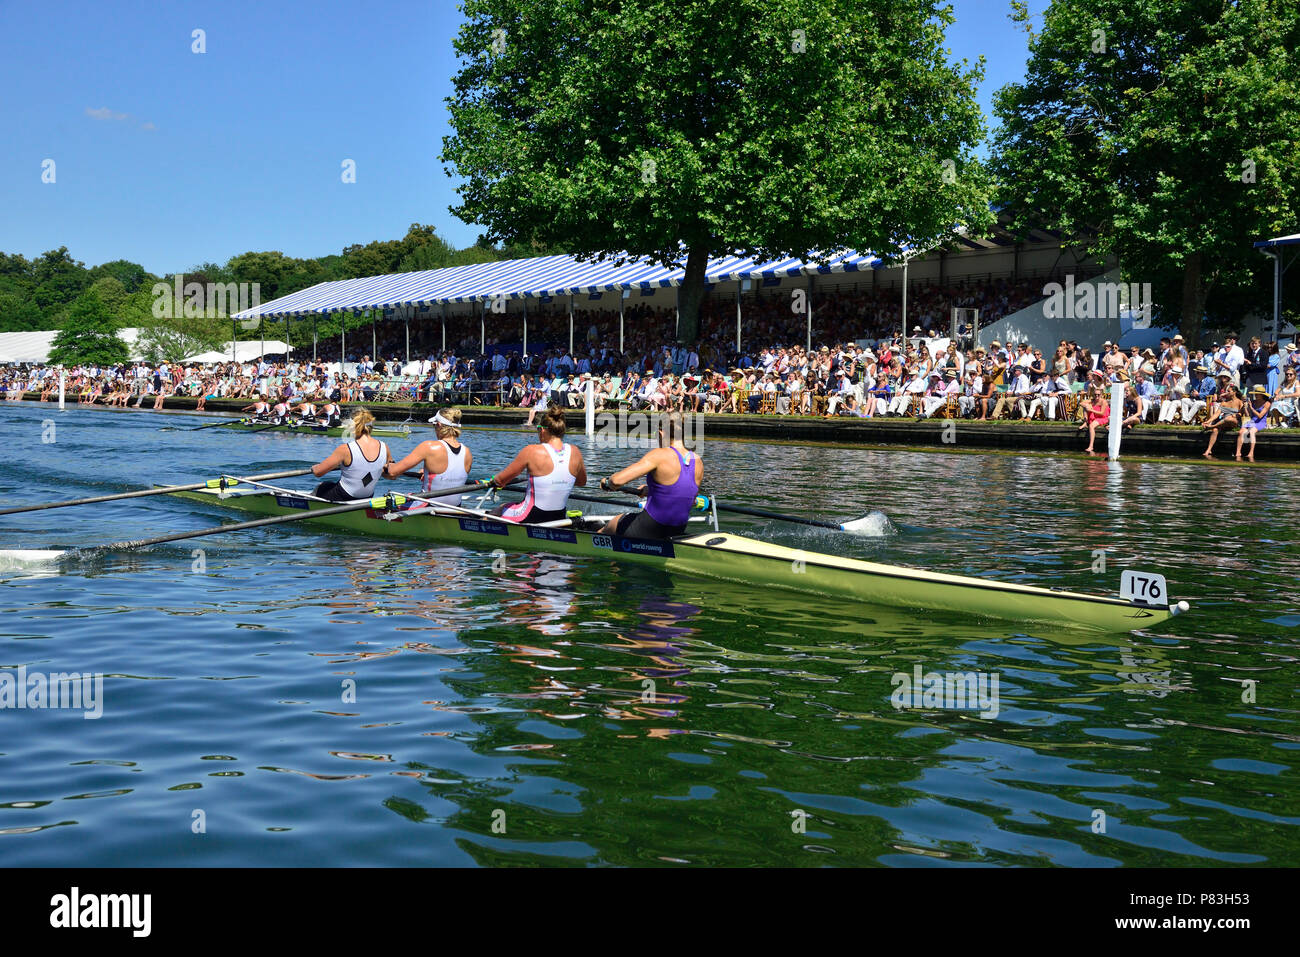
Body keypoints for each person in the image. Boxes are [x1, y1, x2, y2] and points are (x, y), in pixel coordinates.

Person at [597, 411, 703, 539]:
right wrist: (653, 491)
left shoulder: (659, 454)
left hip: (650, 527)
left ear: (661, 433)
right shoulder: (698, 461)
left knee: (608, 527)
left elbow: (617, 481)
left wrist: (607, 482)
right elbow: (687, 498)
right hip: (677, 529)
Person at [484, 405, 587, 523]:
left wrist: (493, 481)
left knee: (501, 508)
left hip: (530, 516)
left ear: (542, 430)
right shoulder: (575, 451)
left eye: (537, 429)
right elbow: (581, 482)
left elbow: (501, 481)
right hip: (558, 517)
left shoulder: (531, 451)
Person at [386, 408, 473, 505]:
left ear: (439, 425)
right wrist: (430, 473)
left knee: (390, 501)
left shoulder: (429, 447)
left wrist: (382, 467)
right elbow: (450, 475)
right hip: (455, 508)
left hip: (429, 507)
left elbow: (392, 473)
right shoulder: (467, 452)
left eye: (434, 425)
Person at [310, 409, 394, 501]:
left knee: (323, 486)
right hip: (367, 497)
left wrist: (315, 468)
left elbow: (318, 473)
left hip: (344, 496)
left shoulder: (345, 449)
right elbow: (390, 475)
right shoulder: (384, 447)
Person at [1202, 384, 1244, 458]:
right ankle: (1208, 450)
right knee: (1215, 430)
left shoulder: (1239, 402)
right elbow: (1216, 414)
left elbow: (1241, 413)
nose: (1227, 393)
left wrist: (1237, 415)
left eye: (1229, 391)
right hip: (1223, 423)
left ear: (1234, 392)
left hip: (1234, 422)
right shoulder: (1224, 403)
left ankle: (1211, 426)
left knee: (1229, 419)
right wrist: (1208, 421)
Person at [1235, 386, 1271, 461]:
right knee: (1241, 431)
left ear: (1262, 395)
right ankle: (1238, 452)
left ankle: (1251, 452)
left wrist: (1251, 408)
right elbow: (1248, 415)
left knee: (1251, 431)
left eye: (1257, 394)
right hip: (1252, 421)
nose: (1256, 395)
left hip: (1261, 422)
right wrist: (1245, 408)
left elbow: (1260, 416)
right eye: (1255, 394)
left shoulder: (1267, 403)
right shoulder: (1253, 402)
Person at [1077, 384, 1109, 454]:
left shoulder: (1103, 401)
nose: (1096, 396)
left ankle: (1091, 446)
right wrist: (1087, 405)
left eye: (1098, 395)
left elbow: (1102, 413)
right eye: (1095, 395)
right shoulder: (1092, 400)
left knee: (1091, 426)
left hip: (1102, 418)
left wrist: (1091, 410)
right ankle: (1085, 422)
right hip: (1094, 416)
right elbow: (1081, 403)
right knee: (1086, 406)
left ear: (1101, 394)